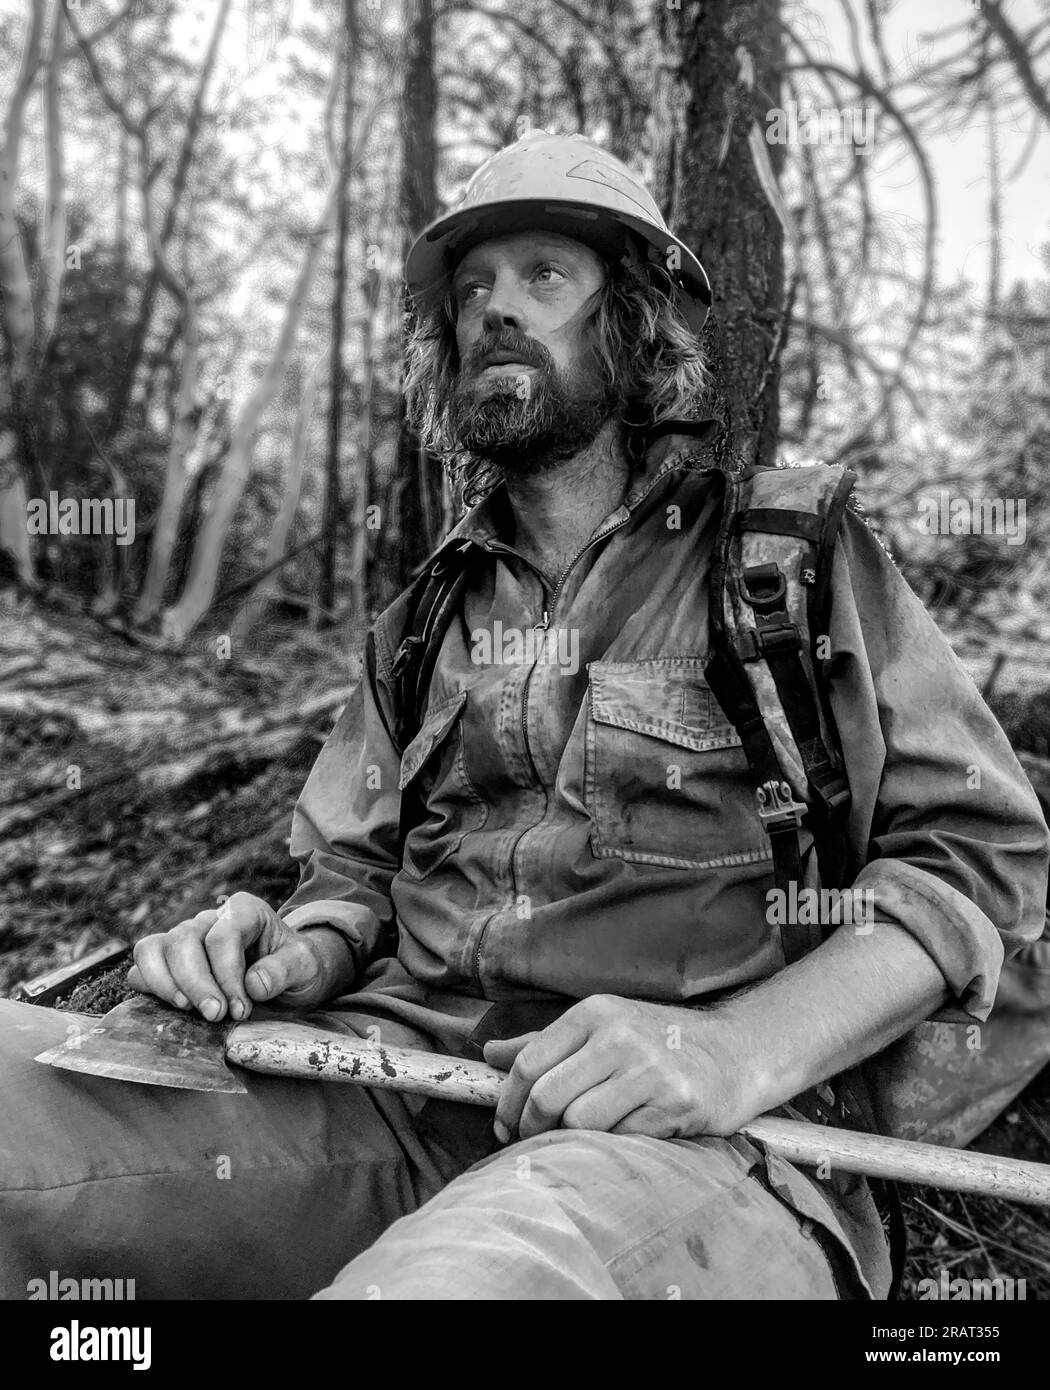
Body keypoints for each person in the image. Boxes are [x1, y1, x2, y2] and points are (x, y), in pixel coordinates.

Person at [2, 132, 1046, 1301]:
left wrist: (735, 1048)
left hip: (688, 1152)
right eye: (472, 290)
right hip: (381, 1085)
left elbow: (985, 862)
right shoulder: (421, 617)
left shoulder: (787, 565)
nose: (496, 310)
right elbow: (350, 866)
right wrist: (299, 945)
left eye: (543, 276)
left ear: (632, 320)